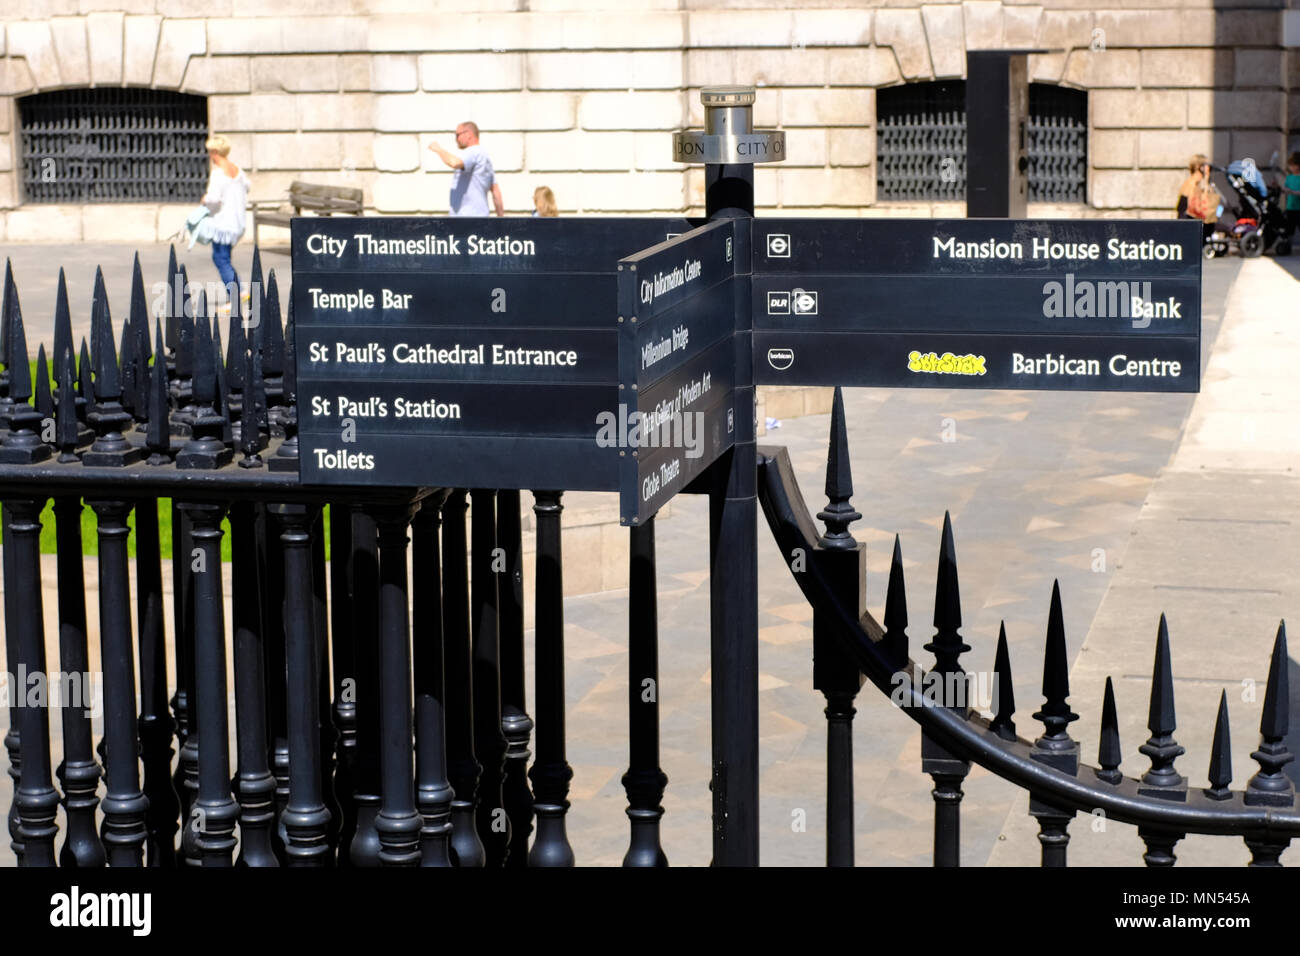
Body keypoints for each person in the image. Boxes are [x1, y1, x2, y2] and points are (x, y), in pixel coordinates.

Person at [201, 134, 251, 309]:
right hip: (237, 223)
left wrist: (204, 199)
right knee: (225, 257)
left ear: (215, 152)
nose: (210, 156)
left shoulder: (218, 174)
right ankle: (240, 291)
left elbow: (213, 199)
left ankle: (235, 296)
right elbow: (247, 186)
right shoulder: (237, 170)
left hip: (223, 224)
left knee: (220, 258)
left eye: (210, 152)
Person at [428, 122, 504, 216]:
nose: (456, 139)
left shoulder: (473, 151)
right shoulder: (484, 156)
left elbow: (454, 162)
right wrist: (501, 221)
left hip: (466, 221)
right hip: (481, 218)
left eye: (457, 135)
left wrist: (438, 149)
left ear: (468, 134)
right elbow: (496, 192)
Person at [1176, 154, 1220, 241]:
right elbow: (1202, 205)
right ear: (1201, 167)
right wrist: (1207, 180)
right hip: (1188, 221)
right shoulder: (1193, 183)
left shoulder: (1195, 182)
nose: (1209, 169)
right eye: (1207, 166)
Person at [1274, 151, 1300, 240]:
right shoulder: (1289, 177)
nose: (1291, 167)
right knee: (1289, 229)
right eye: (1290, 165)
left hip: (1299, 208)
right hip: (1291, 208)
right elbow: (1285, 188)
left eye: (1294, 165)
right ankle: (1285, 245)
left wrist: (1293, 192)